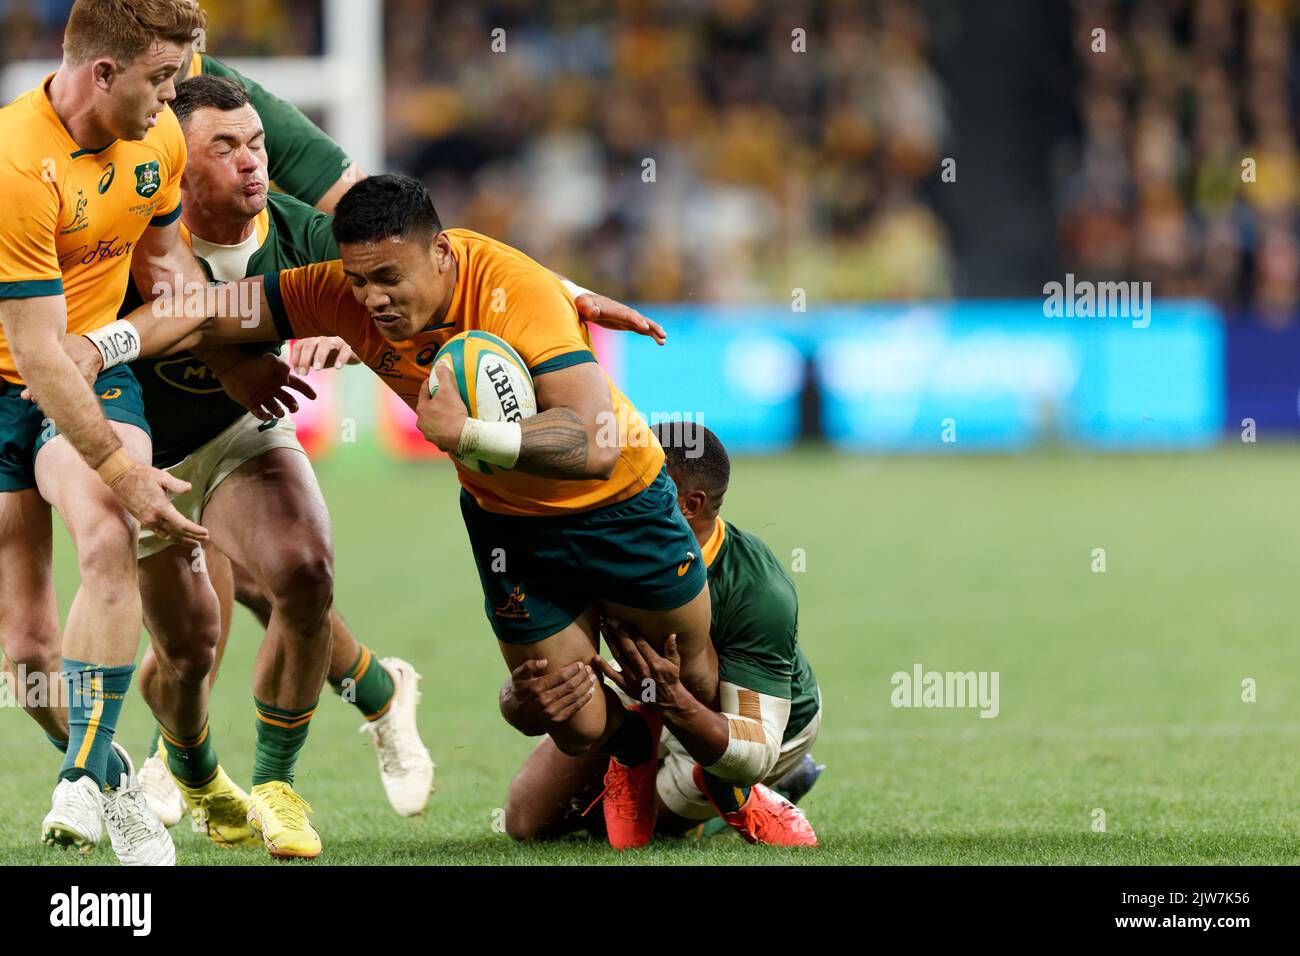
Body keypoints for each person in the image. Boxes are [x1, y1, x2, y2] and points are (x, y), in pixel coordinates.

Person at [63, 172, 715, 850]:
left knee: (688, 673)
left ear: (442, 255)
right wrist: (98, 346)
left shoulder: (510, 288)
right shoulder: (341, 295)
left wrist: (467, 435)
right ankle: (635, 750)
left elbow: (593, 443)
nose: (372, 298)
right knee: (572, 721)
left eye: (389, 278)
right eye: (358, 280)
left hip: (620, 506)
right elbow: (200, 311)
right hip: (510, 526)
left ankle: (737, 779)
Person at [0, 0, 295, 865]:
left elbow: (171, 281)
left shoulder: (157, 140)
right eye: (162, 80)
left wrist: (140, 346)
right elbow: (36, 353)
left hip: (97, 374)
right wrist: (124, 472)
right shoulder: (18, 162)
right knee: (25, 657)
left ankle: (83, 780)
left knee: (108, 537)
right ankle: (117, 775)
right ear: (103, 73)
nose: (172, 101)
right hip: (18, 378)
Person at [499, 423, 821, 847]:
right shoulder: (598, 543)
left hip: (752, 724)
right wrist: (518, 701)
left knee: (609, 828)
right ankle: (635, 744)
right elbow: (548, 670)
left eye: (642, 486)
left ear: (689, 505)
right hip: (645, 691)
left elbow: (754, 749)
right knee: (527, 823)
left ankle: (760, 789)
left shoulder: (759, 589)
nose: (615, 495)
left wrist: (671, 700)